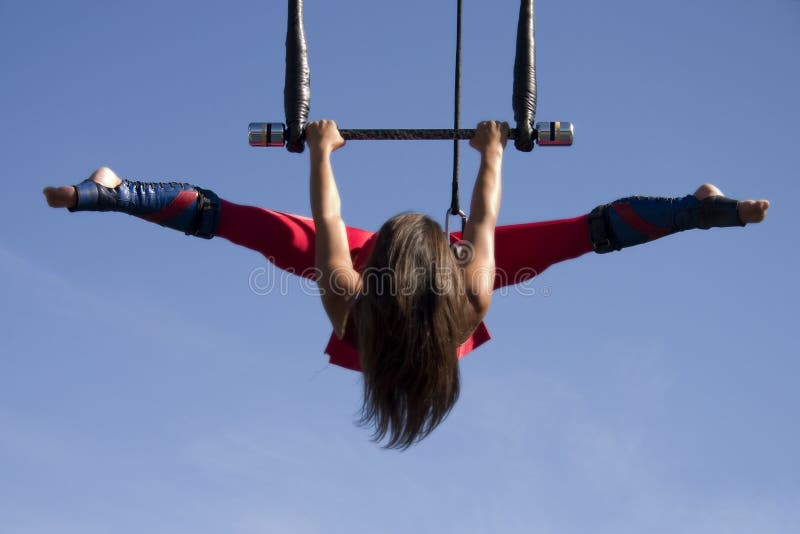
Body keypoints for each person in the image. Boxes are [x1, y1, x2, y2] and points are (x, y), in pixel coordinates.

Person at [43, 120, 770, 449]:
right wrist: (491, 150)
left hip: (386, 309)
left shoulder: (347, 297)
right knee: (574, 238)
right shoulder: (471, 290)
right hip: (434, 306)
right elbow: (482, 220)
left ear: (380, 261)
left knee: (267, 231)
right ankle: (696, 210)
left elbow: (329, 218)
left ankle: (116, 193)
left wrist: (322, 149)